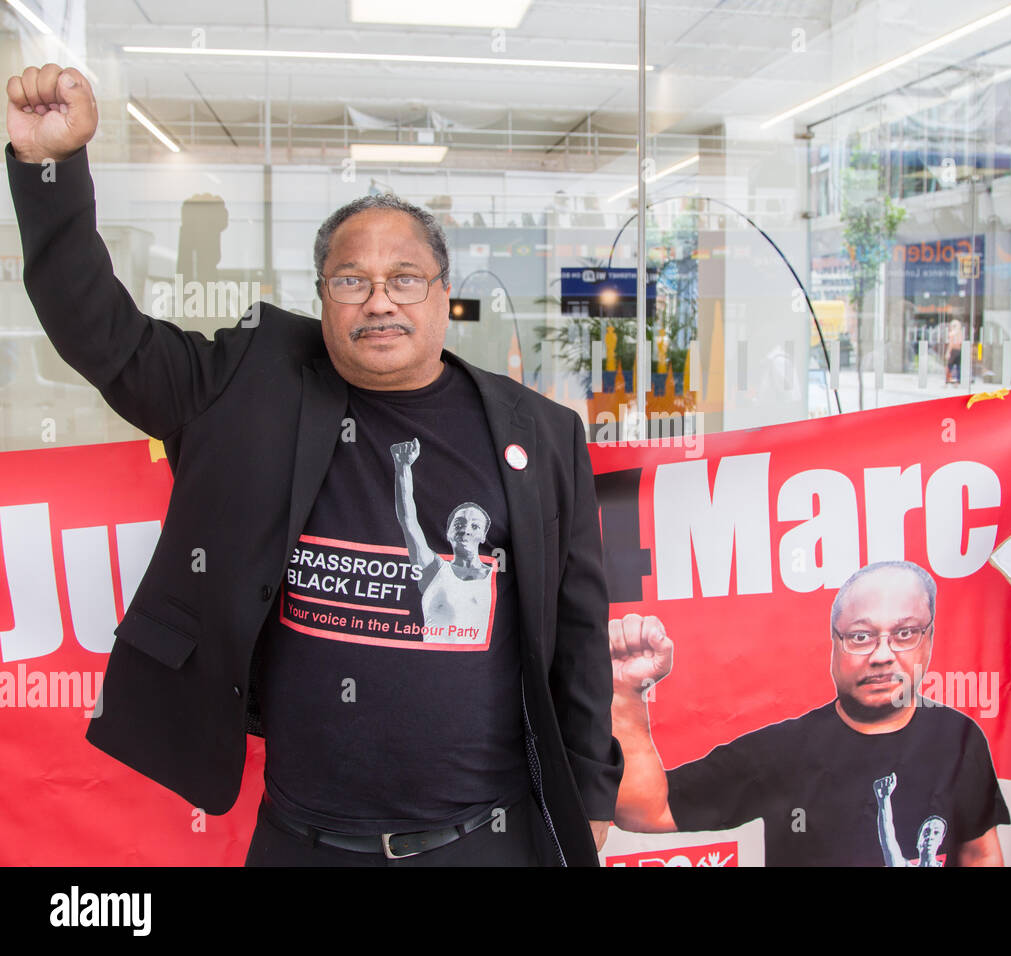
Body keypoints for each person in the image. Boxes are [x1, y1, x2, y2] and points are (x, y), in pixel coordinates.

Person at [6, 63, 621, 866]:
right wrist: (50, 170)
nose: (379, 300)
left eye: (405, 279)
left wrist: (592, 794)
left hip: (485, 841)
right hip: (303, 842)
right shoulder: (245, 385)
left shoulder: (538, 434)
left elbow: (578, 633)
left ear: (443, 297)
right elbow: (101, 333)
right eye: (351, 280)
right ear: (321, 295)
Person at [610, 561, 1010, 866]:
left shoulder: (958, 737)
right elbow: (646, 810)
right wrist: (626, 695)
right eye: (860, 636)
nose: (883, 655)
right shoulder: (780, 752)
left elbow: (979, 854)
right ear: (834, 646)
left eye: (905, 633)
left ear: (929, 639)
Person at [391, 439, 493, 641]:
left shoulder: (495, 578)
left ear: (483, 535)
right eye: (460, 523)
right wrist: (402, 466)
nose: (466, 529)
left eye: (475, 526)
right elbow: (408, 521)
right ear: (448, 533)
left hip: (474, 670)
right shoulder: (433, 570)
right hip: (429, 667)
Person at [946, 319, 964, 385]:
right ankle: (958, 380)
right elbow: (961, 342)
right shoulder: (960, 333)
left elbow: (951, 344)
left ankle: (948, 380)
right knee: (958, 366)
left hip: (953, 351)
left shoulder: (952, 334)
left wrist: (948, 352)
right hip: (959, 350)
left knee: (949, 366)